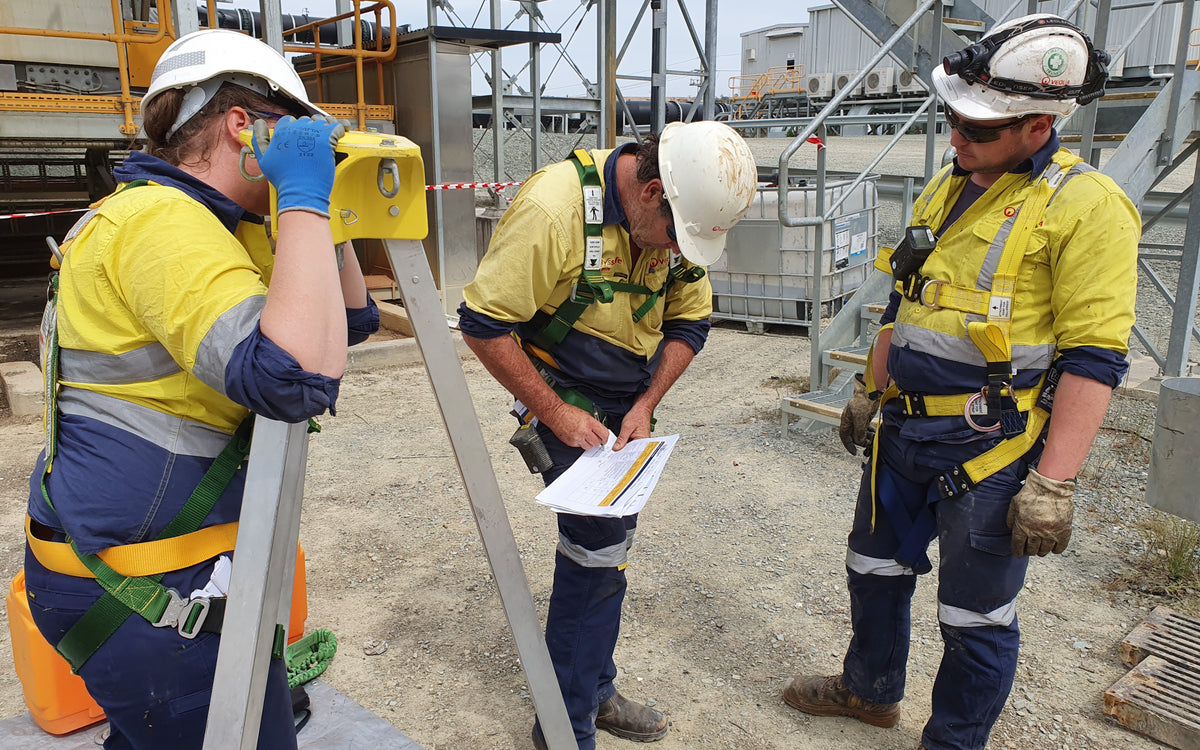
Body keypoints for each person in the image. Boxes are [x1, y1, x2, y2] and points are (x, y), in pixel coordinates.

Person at [783, 14, 1138, 750]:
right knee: (873, 570)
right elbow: (904, 302)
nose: (958, 139)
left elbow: (1095, 358)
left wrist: (1056, 484)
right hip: (904, 431)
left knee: (974, 617)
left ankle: (952, 741)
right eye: (954, 122)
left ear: (1040, 127)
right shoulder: (950, 186)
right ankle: (870, 691)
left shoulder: (1087, 208)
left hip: (990, 450)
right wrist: (869, 391)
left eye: (978, 129)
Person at [22, 29, 378, 750]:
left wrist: (321, 207)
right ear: (244, 126)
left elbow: (345, 322)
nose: (307, 140)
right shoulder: (159, 221)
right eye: (296, 124)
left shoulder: (220, 223)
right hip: (138, 589)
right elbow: (295, 377)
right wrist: (303, 192)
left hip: (160, 565)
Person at [458, 121, 757, 749]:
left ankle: (593, 687)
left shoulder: (670, 224)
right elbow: (483, 325)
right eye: (677, 237)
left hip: (626, 407)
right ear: (651, 192)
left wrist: (647, 403)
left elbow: (691, 323)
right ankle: (563, 727)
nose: (677, 253)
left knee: (610, 549)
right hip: (564, 396)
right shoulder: (555, 209)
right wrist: (557, 414)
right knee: (595, 554)